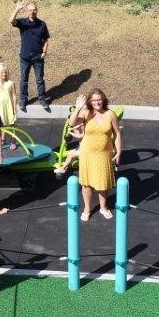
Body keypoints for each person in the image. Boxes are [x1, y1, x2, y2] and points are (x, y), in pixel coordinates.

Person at [71, 88, 122, 221]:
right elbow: (72, 123)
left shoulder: (110, 114)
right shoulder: (86, 113)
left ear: (103, 99)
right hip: (87, 153)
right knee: (86, 183)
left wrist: (119, 151)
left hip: (104, 154)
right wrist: (77, 109)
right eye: (94, 100)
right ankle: (87, 208)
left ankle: (103, 207)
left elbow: (117, 134)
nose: (97, 102)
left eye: (99, 99)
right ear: (90, 101)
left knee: (103, 182)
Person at [8, 0, 50, 113]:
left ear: (37, 10)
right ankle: (23, 100)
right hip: (25, 58)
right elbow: (11, 21)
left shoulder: (42, 24)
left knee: (40, 80)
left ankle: (42, 99)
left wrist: (44, 52)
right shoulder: (22, 22)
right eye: (30, 10)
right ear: (27, 11)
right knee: (23, 80)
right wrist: (17, 8)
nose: (32, 12)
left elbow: (46, 39)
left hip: (38, 58)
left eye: (34, 10)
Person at [0, 61, 18, 127]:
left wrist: (14, 107)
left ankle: (13, 137)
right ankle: (2, 137)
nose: (4, 74)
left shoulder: (11, 83)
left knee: (11, 122)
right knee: (1, 123)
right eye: (2, 73)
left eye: (6, 72)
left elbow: (14, 95)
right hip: (0, 106)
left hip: (9, 105)